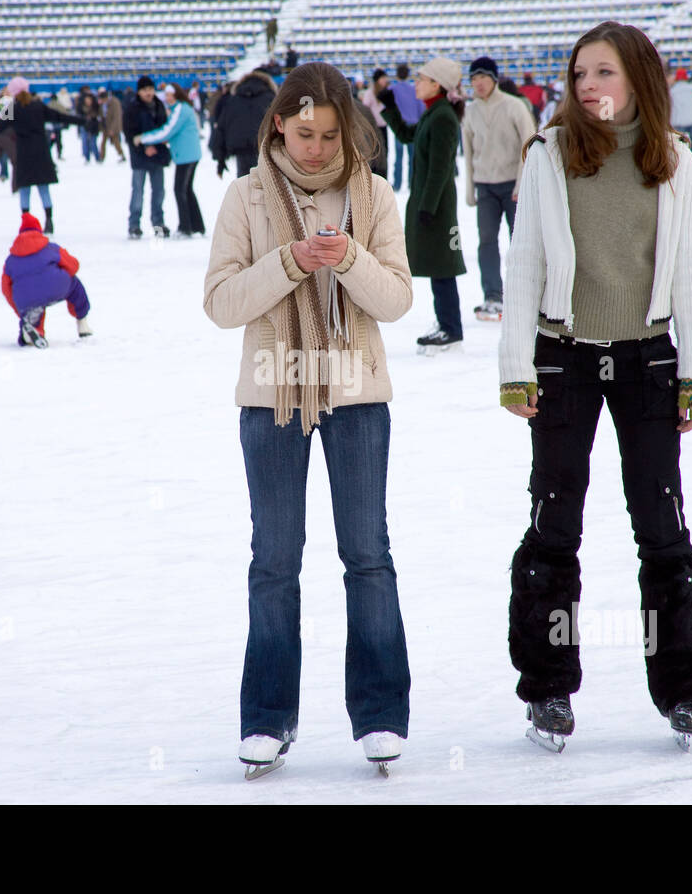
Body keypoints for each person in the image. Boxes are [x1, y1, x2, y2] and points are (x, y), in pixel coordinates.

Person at [498, 21, 692, 752]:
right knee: (555, 523)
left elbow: (688, 270)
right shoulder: (550, 155)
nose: (588, 85)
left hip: (649, 361)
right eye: (579, 74)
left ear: (639, 81)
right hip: (563, 360)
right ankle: (549, 688)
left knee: (661, 524)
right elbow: (523, 264)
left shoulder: (673, 160)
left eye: (604, 72)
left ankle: (683, 688)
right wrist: (514, 368)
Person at [202, 61, 412, 775]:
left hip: (356, 395)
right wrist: (288, 263)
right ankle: (267, 717)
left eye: (327, 135)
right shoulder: (247, 197)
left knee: (368, 555)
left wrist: (348, 258)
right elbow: (221, 303)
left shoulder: (373, 195)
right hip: (272, 396)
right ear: (277, 127)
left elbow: (396, 301)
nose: (315, 149)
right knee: (274, 561)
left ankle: (381, 715)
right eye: (302, 134)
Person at [377, 57, 466, 352]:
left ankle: (451, 328)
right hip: (429, 202)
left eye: (421, 79)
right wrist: (389, 107)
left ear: (436, 84)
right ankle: (446, 324)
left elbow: (441, 168)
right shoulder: (434, 113)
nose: (415, 84)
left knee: (443, 267)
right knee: (437, 266)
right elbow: (406, 135)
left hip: (437, 204)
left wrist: (428, 207)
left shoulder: (443, 118)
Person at [462, 55, 535, 322]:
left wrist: (521, 183)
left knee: (521, 242)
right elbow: (468, 152)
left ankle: (523, 294)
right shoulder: (470, 111)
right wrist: (470, 188)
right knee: (487, 242)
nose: (478, 83)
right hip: (485, 187)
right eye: (473, 78)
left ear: (494, 79)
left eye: (483, 77)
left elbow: (529, 147)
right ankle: (493, 295)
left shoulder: (514, 106)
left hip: (512, 186)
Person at [0, 77, 84, 233]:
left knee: (24, 189)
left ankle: (27, 224)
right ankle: (49, 221)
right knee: (43, 188)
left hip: (24, 154)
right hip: (41, 153)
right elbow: (60, 116)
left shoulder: (12, 109)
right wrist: (82, 121)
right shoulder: (38, 106)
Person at [2, 211, 92, 347]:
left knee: (33, 307)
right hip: (55, 287)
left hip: (26, 296)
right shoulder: (51, 248)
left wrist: (20, 310)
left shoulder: (10, 260)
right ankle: (82, 323)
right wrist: (60, 275)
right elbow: (73, 266)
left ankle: (31, 331)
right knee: (74, 285)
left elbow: (6, 288)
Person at [135, 83, 204, 238]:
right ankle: (197, 226)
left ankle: (186, 228)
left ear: (176, 95)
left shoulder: (180, 109)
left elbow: (167, 131)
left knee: (180, 190)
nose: (167, 98)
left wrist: (143, 138)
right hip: (187, 154)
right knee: (186, 190)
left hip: (187, 156)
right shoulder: (180, 108)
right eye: (165, 95)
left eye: (169, 95)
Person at [122, 75, 173, 239]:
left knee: (159, 191)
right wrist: (144, 148)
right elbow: (129, 133)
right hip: (140, 157)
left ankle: (158, 224)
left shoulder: (159, 105)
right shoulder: (132, 108)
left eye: (150, 89)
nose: (148, 93)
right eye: (145, 90)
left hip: (157, 156)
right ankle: (134, 225)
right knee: (138, 192)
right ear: (139, 91)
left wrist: (157, 147)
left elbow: (163, 129)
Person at [213, 71, 277, 179]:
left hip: (241, 151)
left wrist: (220, 159)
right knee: (267, 187)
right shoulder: (271, 98)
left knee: (244, 188)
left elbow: (222, 128)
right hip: (266, 150)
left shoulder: (233, 100)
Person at [388, 63, 422, 192]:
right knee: (413, 156)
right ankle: (412, 183)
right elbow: (420, 107)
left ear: (397, 75)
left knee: (399, 155)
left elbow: (391, 108)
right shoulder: (414, 89)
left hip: (400, 125)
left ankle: (397, 183)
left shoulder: (393, 90)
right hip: (413, 124)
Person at [98, 87, 125, 163]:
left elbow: (117, 117)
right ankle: (101, 157)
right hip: (105, 127)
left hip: (113, 127)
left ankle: (122, 155)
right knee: (103, 142)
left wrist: (112, 129)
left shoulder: (114, 102)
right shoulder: (102, 104)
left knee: (116, 142)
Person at [75, 86, 101, 164]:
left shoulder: (95, 106)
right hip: (85, 125)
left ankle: (97, 157)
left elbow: (98, 114)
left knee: (93, 142)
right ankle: (87, 157)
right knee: (85, 141)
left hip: (93, 126)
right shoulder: (81, 105)